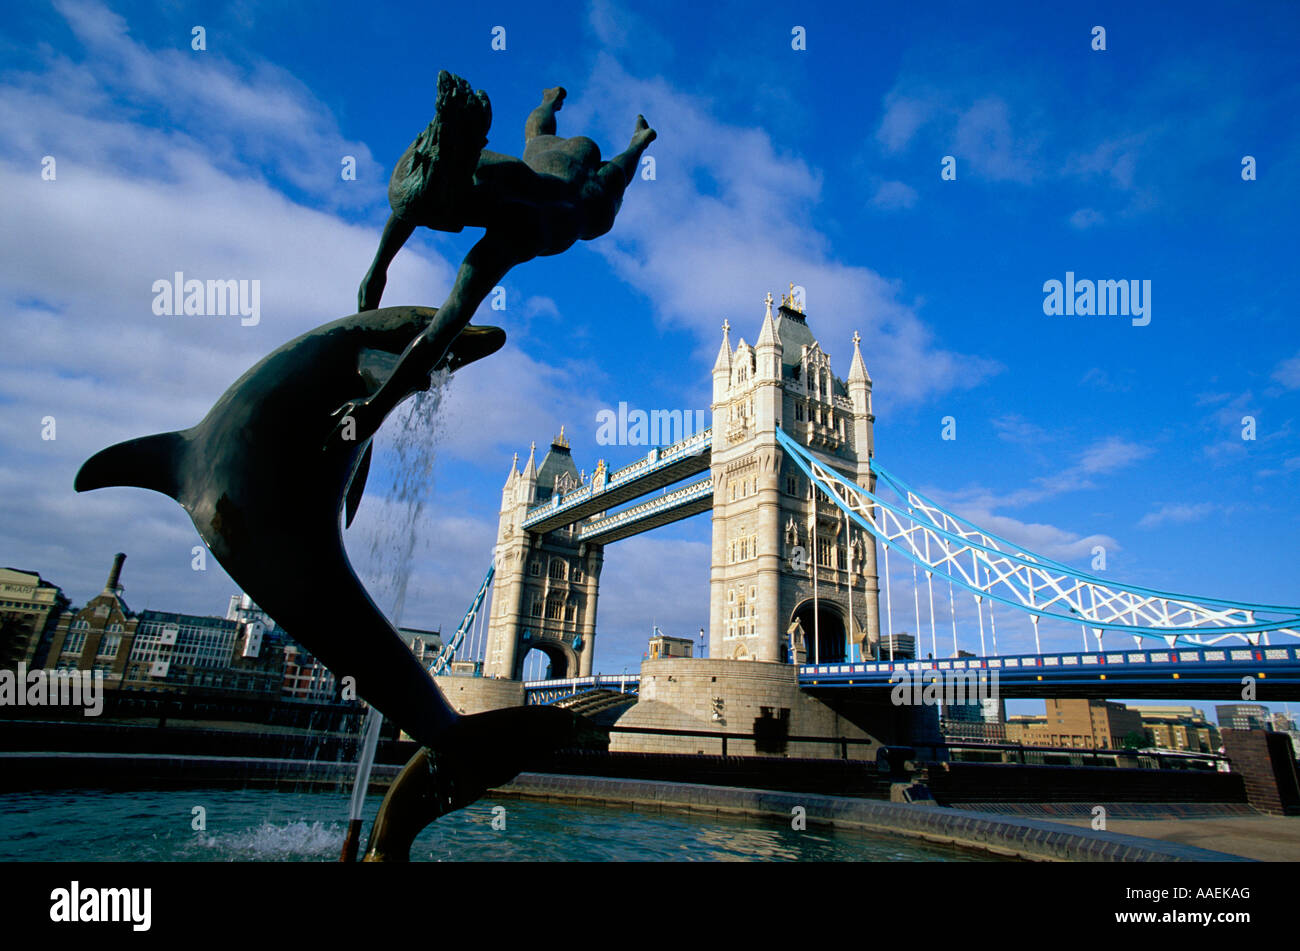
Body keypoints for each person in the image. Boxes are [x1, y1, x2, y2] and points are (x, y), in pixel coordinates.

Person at [333, 73, 655, 446]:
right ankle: (554, 101)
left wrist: (376, 407)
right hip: (549, 164)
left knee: (615, 174)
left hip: (585, 203)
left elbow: (444, 326)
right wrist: (377, 271)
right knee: (536, 137)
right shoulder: (476, 165)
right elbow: (414, 202)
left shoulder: (515, 233)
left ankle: (638, 143)